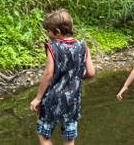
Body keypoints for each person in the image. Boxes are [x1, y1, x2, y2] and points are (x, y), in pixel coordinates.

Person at [29, 9, 96, 145]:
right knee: (69, 138)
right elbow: (91, 72)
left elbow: (48, 74)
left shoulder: (53, 47)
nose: (47, 34)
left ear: (57, 31)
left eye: (48, 31)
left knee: (44, 134)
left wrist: (37, 98)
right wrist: (75, 77)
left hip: (53, 99)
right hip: (73, 101)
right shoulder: (83, 46)